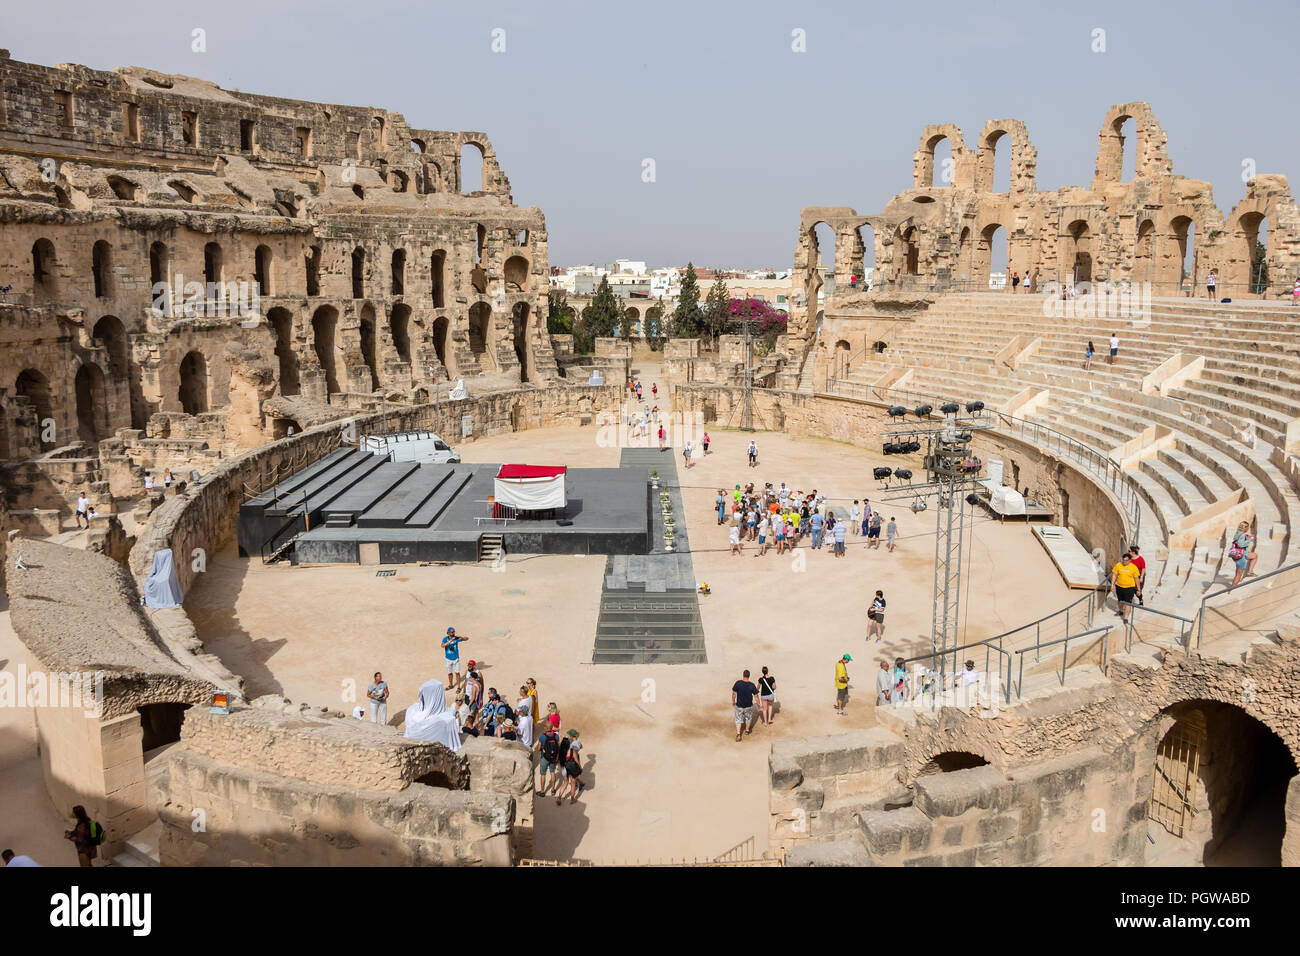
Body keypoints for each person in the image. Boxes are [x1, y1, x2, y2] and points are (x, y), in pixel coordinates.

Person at [1109, 553, 1141, 622]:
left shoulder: (1133, 567)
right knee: (1120, 601)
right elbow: (1114, 575)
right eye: (1123, 560)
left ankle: (1126, 618)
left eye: (1126, 560)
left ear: (1130, 560)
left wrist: (1138, 589)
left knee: (1128, 603)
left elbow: (1136, 579)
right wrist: (1112, 585)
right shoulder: (1118, 565)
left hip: (1129, 588)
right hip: (1119, 587)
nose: (1124, 562)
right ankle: (1121, 610)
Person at [535, 722, 563, 795]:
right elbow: (558, 747)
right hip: (553, 757)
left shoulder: (542, 737)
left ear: (545, 728)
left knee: (543, 774)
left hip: (544, 757)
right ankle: (553, 789)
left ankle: (542, 791)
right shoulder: (556, 736)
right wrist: (557, 757)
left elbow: (538, 749)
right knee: (552, 772)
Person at [558, 730, 584, 805]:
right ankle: (572, 799)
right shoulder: (572, 751)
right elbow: (576, 760)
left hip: (564, 768)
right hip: (572, 767)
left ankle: (559, 798)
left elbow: (558, 761)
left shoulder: (561, 751)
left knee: (565, 783)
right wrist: (580, 768)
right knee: (573, 783)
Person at [731, 669, 759, 741]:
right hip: (748, 706)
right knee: (748, 718)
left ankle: (738, 734)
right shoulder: (752, 685)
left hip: (739, 705)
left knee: (738, 719)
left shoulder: (738, 683)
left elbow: (734, 694)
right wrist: (758, 704)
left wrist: (733, 701)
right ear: (749, 676)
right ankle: (747, 731)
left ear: (743, 675)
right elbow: (756, 696)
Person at [1229, 521, 1258, 586]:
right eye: (1247, 527)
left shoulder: (1238, 533)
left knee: (1254, 556)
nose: (1248, 528)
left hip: (1237, 554)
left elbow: (1238, 541)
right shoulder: (1242, 535)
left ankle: (1250, 572)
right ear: (1245, 527)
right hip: (1240, 556)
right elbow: (1241, 544)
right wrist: (1248, 540)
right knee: (1238, 576)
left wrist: (1246, 537)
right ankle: (1231, 590)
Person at [441, 626, 468, 691]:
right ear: (448, 633)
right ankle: (451, 685)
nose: (453, 633)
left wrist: (461, 637)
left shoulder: (456, 638)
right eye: (452, 632)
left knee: (457, 673)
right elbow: (442, 645)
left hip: (456, 659)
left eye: (454, 632)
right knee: (449, 673)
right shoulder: (445, 639)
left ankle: (458, 687)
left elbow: (467, 638)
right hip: (448, 659)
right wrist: (450, 641)